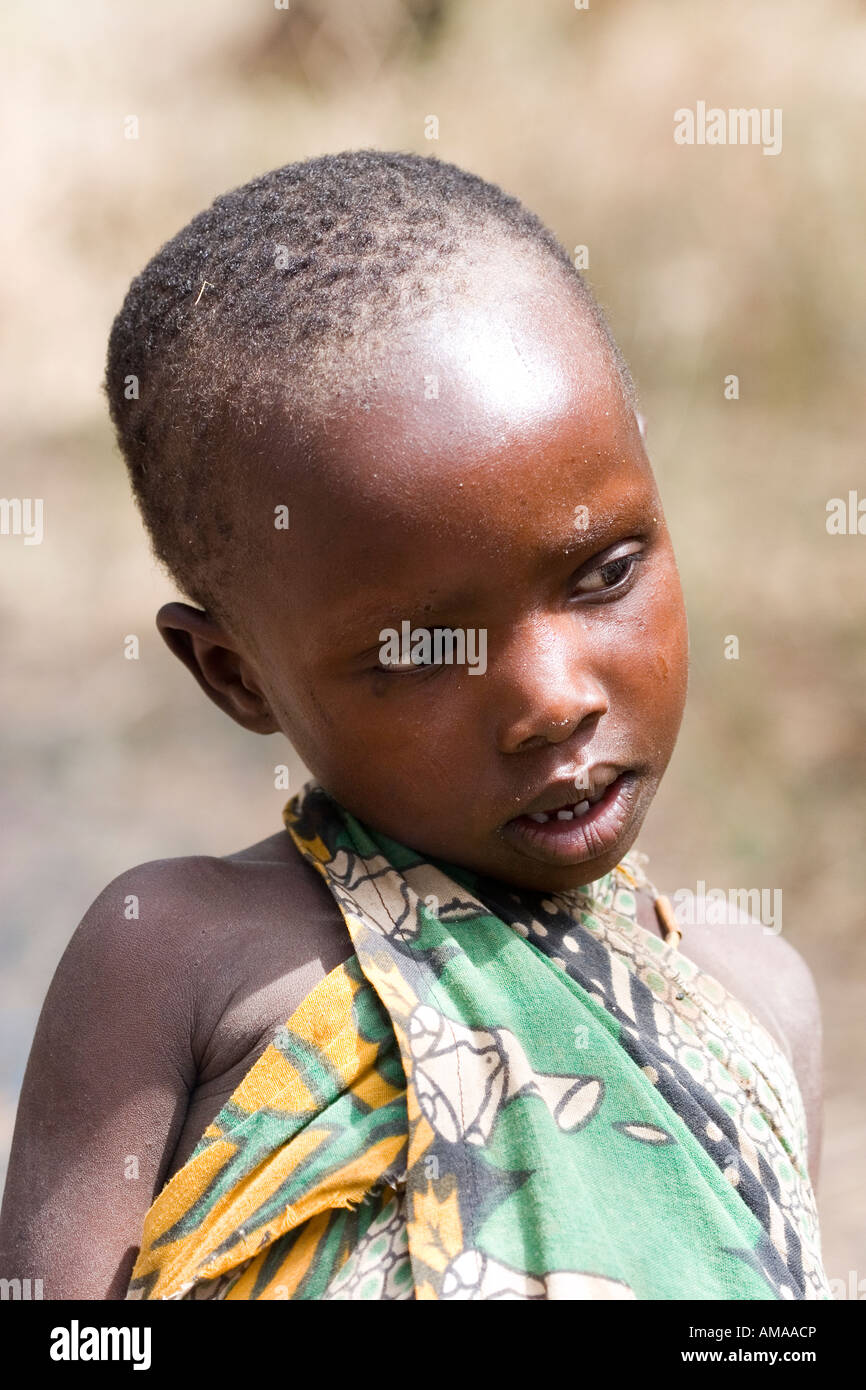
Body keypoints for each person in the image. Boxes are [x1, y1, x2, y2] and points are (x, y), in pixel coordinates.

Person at [0, 150, 830, 1300]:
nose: (551, 697)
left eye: (603, 572)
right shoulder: (179, 957)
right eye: (420, 649)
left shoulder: (755, 999)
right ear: (234, 676)